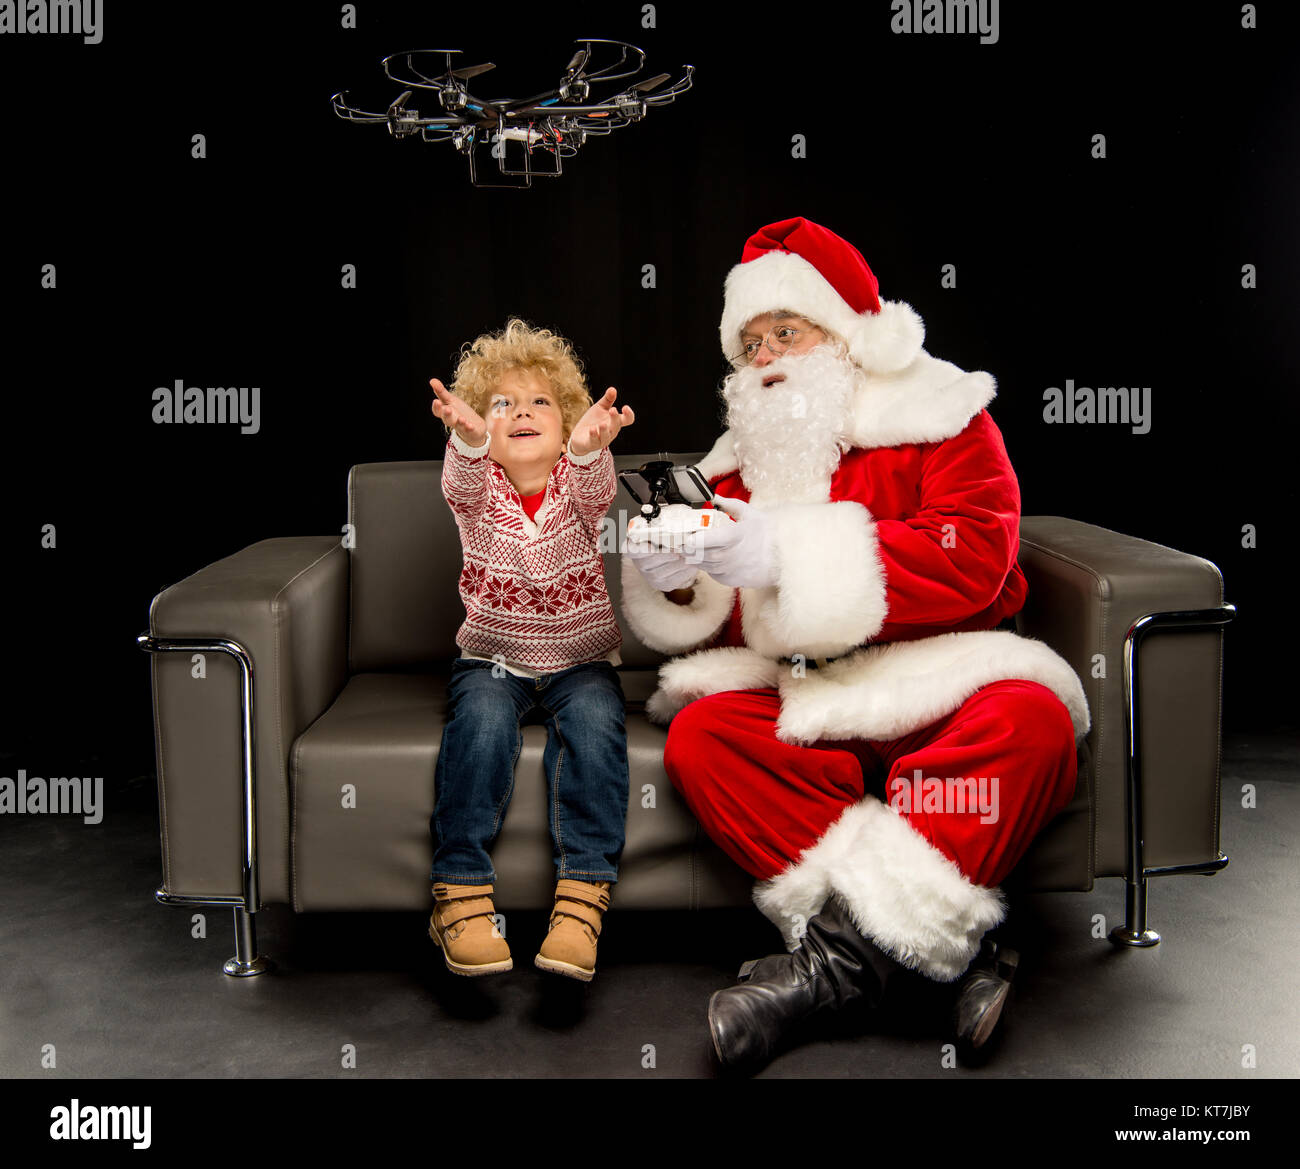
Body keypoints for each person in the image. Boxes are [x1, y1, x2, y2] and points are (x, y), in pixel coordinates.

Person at [622, 218, 1090, 1070]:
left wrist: (791, 553)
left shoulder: (942, 414)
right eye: (749, 341)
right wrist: (680, 579)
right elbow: (730, 619)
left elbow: (976, 555)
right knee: (703, 737)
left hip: (939, 682)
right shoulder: (738, 461)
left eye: (785, 332)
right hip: (805, 693)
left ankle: (831, 967)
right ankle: (935, 960)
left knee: (1033, 722)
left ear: (842, 334)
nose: (765, 356)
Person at [427, 318, 635, 982]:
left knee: (598, 726)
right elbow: (460, 475)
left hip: (580, 663)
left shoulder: (578, 487)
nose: (520, 412)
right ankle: (459, 892)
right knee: (483, 722)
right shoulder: (477, 490)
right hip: (493, 658)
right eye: (502, 404)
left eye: (540, 401)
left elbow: (596, 480)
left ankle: (581, 899)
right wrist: (465, 436)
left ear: (567, 420)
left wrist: (587, 448)